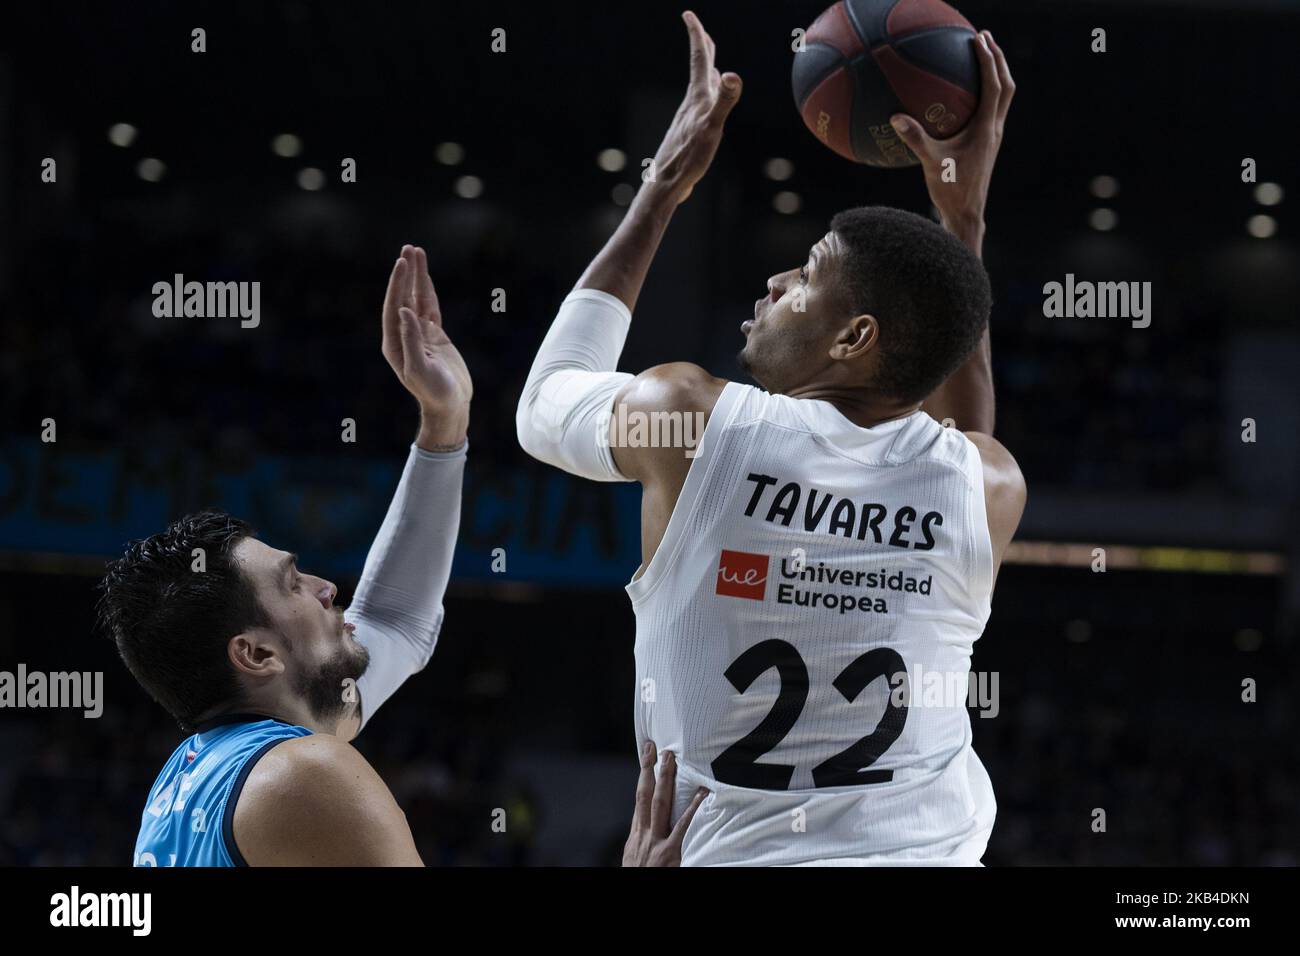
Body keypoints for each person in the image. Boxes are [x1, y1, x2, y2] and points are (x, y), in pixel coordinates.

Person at [516, 11, 1025, 865]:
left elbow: (541, 405)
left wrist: (662, 190)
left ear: (854, 339)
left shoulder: (696, 422)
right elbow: (968, 430)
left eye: (808, 275)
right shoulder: (985, 485)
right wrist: (962, 223)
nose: (779, 277)